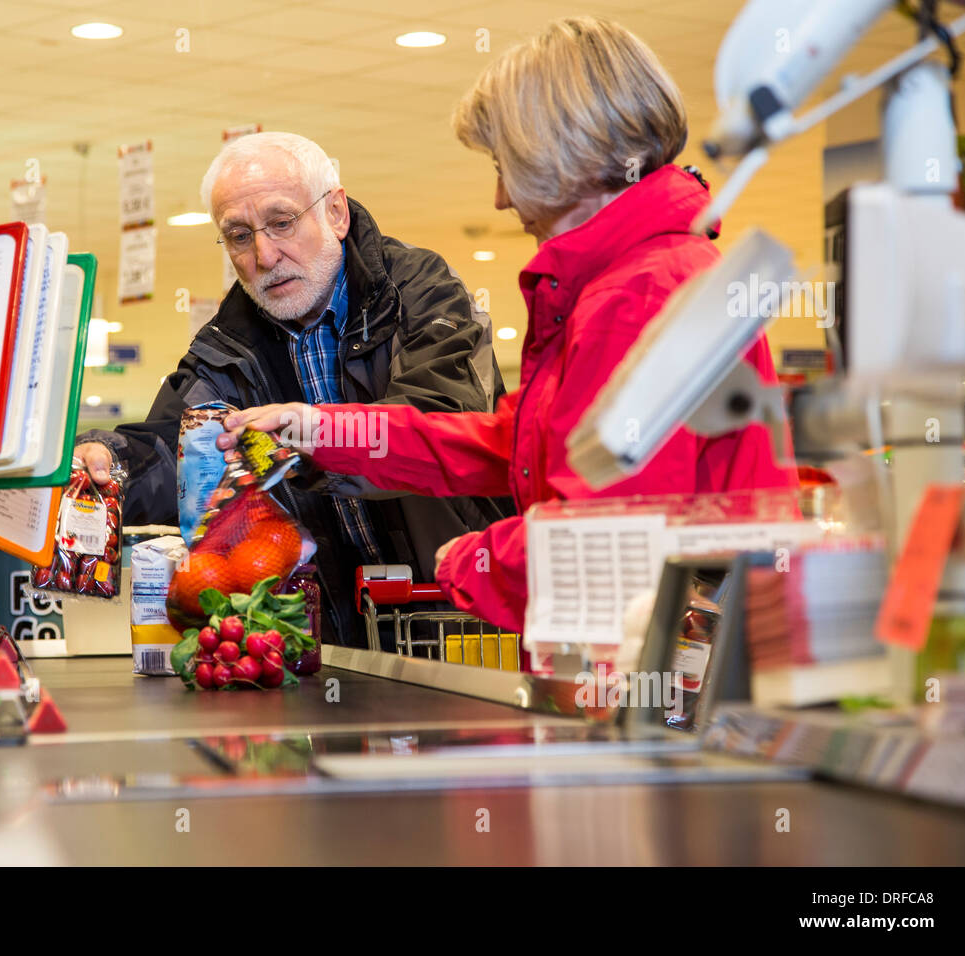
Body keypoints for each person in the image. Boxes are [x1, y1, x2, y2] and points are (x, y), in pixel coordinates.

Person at [218, 18, 799, 654]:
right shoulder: (626, 279)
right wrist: (323, 432)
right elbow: (513, 442)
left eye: (504, 165)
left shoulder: (642, 292)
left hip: (675, 673)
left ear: (561, 157)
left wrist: (466, 561)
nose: (498, 197)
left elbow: (601, 541)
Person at [75, 131, 512, 643]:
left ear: (336, 212)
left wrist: (312, 439)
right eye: (239, 236)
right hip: (331, 641)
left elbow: (441, 418)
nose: (264, 254)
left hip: (463, 616)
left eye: (282, 223)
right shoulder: (226, 344)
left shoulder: (419, 291)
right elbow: (180, 444)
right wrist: (108, 460)